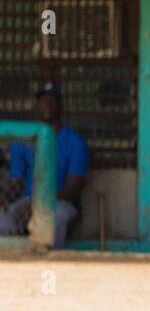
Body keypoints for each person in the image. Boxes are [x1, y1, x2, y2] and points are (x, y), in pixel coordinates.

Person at [0, 83, 89, 248]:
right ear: (37, 106)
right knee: (3, 222)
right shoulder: (22, 140)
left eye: (52, 100)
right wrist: (9, 202)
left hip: (60, 202)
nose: (47, 105)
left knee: (55, 220)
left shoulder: (75, 141)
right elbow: (16, 184)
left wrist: (38, 204)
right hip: (26, 202)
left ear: (61, 107)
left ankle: (48, 264)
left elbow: (73, 190)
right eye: (43, 100)